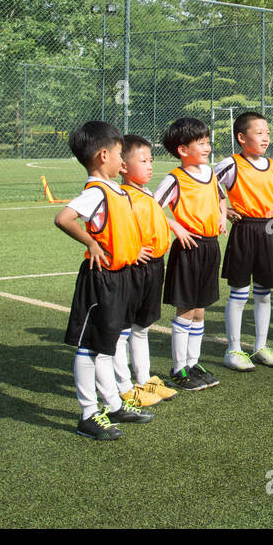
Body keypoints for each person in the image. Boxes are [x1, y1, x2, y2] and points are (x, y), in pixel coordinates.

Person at [53, 120, 156, 440]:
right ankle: (88, 414)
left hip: (121, 276)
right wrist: (91, 243)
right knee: (91, 348)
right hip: (101, 281)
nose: (122, 161)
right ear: (102, 156)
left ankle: (113, 405)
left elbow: (119, 230)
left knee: (108, 346)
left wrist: (131, 250)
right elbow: (63, 218)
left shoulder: (115, 190)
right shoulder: (96, 191)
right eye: (117, 154)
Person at [215, 111, 273, 371]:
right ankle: (233, 349)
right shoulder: (231, 163)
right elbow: (209, 185)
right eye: (259, 132)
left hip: (270, 230)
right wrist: (224, 211)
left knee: (264, 292)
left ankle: (261, 346)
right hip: (245, 229)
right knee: (239, 292)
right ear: (241, 137)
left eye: (267, 133)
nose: (265, 138)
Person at [155, 117, 227, 392]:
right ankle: (178, 369)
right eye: (201, 143)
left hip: (210, 246)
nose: (208, 147)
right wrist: (176, 227)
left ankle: (193, 363)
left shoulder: (209, 174)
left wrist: (222, 216)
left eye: (208, 142)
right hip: (188, 248)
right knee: (185, 310)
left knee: (200, 310)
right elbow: (152, 207)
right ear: (183, 150)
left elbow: (220, 196)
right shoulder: (175, 178)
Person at [115, 134, 177, 405]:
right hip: (134, 268)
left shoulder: (146, 192)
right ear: (122, 166)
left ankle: (144, 379)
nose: (150, 165)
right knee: (123, 330)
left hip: (154, 266)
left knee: (142, 325)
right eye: (142, 160)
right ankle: (124, 386)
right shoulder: (121, 196)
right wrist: (131, 249)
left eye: (151, 160)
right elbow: (111, 230)